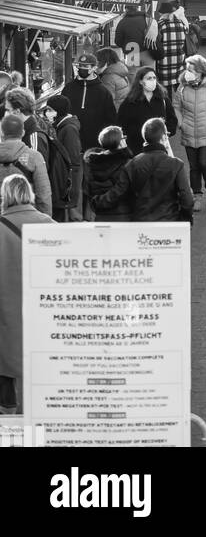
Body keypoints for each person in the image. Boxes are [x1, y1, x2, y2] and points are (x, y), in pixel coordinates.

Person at [0, 174, 54, 413]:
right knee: (41, 365)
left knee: (5, 367)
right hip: (44, 314)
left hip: (6, 313)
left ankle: (9, 420)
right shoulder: (50, 226)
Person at [91, 117, 194, 221]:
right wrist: (185, 220)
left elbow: (118, 193)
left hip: (142, 223)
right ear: (163, 137)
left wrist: (95, 202)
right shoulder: (176, 164)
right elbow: (187, 198)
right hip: (169, 220)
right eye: (167, 134)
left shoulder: (132, 164)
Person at [173, 54, 206, 212]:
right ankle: (197, 196)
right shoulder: (182, 87)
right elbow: (176, 106)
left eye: (191, 69)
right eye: (187, 68)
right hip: (188, 132)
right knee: (193, 166)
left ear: (201, 71)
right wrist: (180, 122)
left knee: (204, 163)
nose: (188, 72)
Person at [62, 51, 117, 153]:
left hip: (96, 144)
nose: (82, 69)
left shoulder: (103, 92)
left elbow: (111, 119)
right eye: (80, 66)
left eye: (86, 66)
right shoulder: (68, 88)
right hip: (72, 142)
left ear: (94, 68)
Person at [0, 113, 52, 216]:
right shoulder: (35, 157)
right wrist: (45, 221)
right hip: (26, 218)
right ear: (23, 133)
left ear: (2, 134)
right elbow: (43, 194)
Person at [119, 66, 178, 155]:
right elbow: (122, 124)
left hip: (160, 148)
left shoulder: (163, 99)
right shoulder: (130, 102)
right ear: (140, 81)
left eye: (154, 78)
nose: (152, 80)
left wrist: (167, 132)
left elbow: (172, 119)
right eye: (149, 78)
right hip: (137, 148)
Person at [43, 94, 83, 221]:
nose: (47, 113)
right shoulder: (61, 126)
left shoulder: (68, 129)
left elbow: (72, 159)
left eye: (50, 110)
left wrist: (67, 184)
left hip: (65, 179)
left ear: (58, 110)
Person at [84, 125, 134, 221]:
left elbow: (89, 189)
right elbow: (123, 190)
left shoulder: (92, 163)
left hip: (100, 215)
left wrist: (97, 202)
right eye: (123, 137)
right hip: (123, 215)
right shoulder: (127, 163)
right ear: (120, 142)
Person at [154, 0, 189, 98]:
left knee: (166, 87)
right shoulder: (181, 24)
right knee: (179, 84)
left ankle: (168, 105)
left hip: (165, 60)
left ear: (163, 13)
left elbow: (156, 42)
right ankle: (182, 103)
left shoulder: (160, 25)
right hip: (179, 58)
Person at [96, 46, 131, 112]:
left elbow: (108, 103)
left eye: (98, 61)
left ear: (106, 62)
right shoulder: (120, 71)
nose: (96, 66)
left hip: (115, 115)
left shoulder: (108, 78)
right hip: (123, 112)